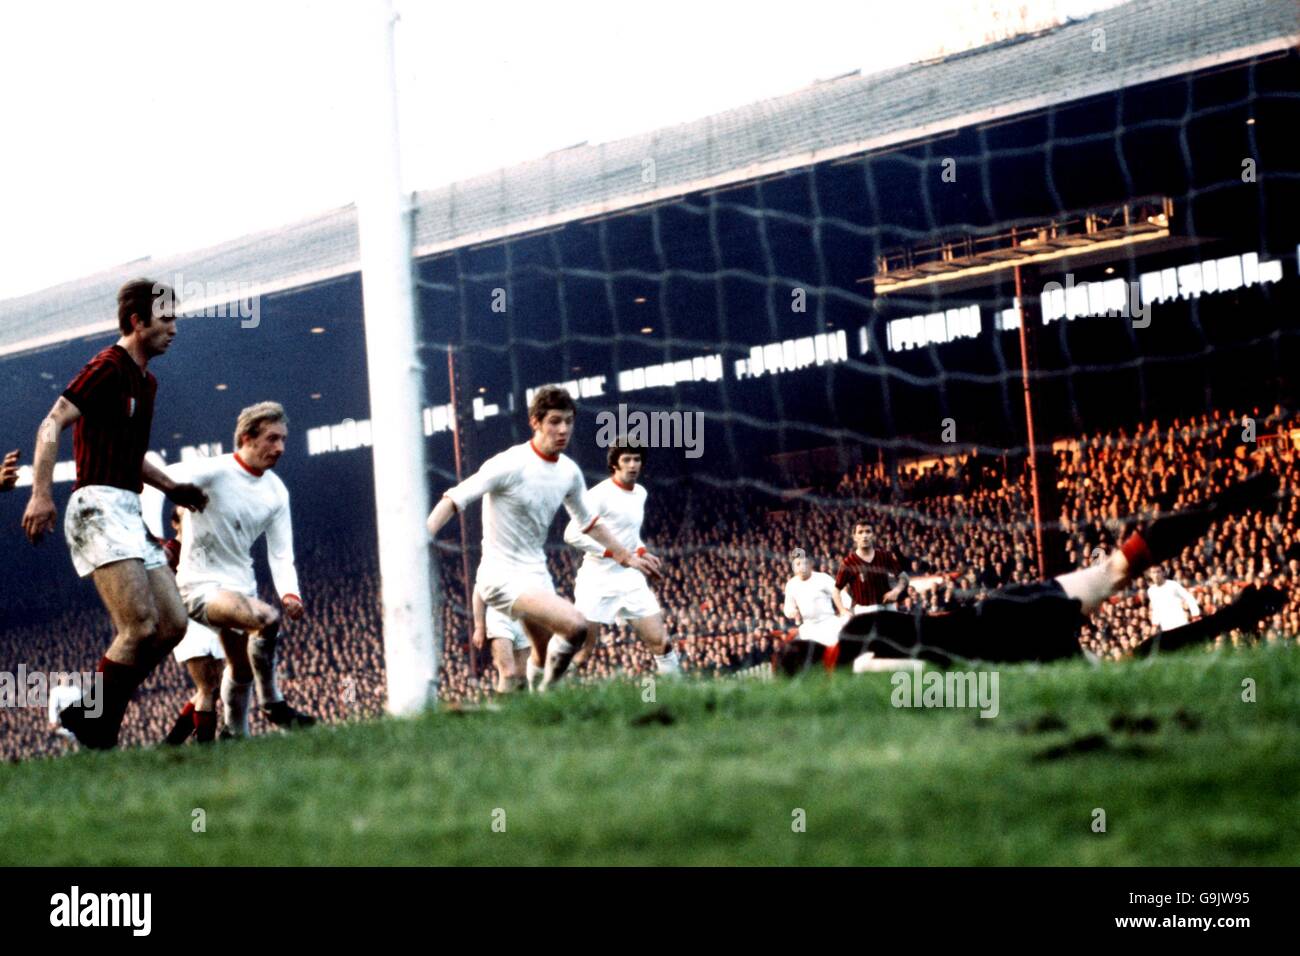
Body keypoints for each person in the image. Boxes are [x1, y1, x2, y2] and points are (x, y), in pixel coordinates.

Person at [781, 473, 1281, 671]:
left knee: (1122, 669)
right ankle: (1224, 502)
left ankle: (1232, 617)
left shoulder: (862, 664)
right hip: (1006, 608)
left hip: (1004, 651)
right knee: (1119, 567)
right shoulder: (861, 630)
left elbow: (934, 678)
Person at [21, 279, 208, 749]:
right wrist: (40, 493)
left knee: (172, 625)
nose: (174, 329)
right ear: (135, 322)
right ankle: (96, 726)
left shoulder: (147, 382)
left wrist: (172, 487)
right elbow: (52, 421)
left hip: (127, 507)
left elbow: (133, 454)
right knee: (139, 625)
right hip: (96, 507)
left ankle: (88, 717)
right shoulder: (106, 366)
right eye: (166, 318)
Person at [426, 386, 661, 691]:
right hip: (499, 575)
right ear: (535, 422)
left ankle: (538, 698)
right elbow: (454, 499)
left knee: (542, 653)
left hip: (536, 572)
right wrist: (423, 537)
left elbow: (589, 522)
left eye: (568, 421)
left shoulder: (569, 472)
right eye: (554, 421)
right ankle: (548, 693)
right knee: (575, 627)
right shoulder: (510, 463)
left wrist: (626, 555)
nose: (563, 429)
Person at [167, 401, 314, 736]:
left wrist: (290, 593)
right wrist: (178, 494)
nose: (281, 448)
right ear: (247, 438)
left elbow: (280, 553)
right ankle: (273, 703)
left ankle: (234, 733)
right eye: (272, 439)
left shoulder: (276, 491)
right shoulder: (214, 471)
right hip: (199, 586)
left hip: (239, 586)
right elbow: (160, 478)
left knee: (241, 669)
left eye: (283, 439)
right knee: (266, 620)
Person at [563, 442, 680, 680]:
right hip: (597, 580)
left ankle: (679, 697)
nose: (633, 465)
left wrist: (641, 550)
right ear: (615, 463)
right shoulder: (598, 495)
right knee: (583, 653)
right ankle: (548, 697)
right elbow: (571, 534)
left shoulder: (640, 493)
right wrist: (613, 554)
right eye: (627, 460)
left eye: (637, 460)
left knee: (661, 643)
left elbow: (630, 532)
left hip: (629, 578)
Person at [159, 506, 225, 744]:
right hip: (191, 622)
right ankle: (206, 746)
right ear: (175, 524)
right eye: (184, 518)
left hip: (210, 619)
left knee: (213, 687)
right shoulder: (170, 551)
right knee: (207, 687)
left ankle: (173, 741)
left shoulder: (202, 549)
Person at [782, 548, 850, 661]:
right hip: (809, 627)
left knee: (836, 653)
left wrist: (844, 610)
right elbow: (787, 608)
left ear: (810, 564)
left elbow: (841, 593)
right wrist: (792, 612)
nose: (801, 567)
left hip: (828, 623)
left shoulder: (822, 578)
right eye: (798, 564)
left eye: (804, 563)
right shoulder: (791, 585)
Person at [835, 521, 907, 614]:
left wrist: (896, 591)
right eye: (860, 532)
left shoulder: (885, 556)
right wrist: (842, 610)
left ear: (873, 535)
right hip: (865, 610)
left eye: (868, 531)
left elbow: (904, 577)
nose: (864, 535)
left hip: (887, 608)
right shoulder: (848, 563)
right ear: (854, 537)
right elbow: (836, 590)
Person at [472, 588, 535, 693]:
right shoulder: (490, 570)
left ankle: (520, 707)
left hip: (523, 615)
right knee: (508, 673)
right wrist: (479, 627)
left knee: (522, 675)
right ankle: (503, 708)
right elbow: (479, 590)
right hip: (499, 616)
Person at [1145, 565, 1201, 633]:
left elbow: (1189, 597)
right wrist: (1154, 625)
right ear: (1150, 575)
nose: (1156, 575)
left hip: (1181, 623)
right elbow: (1156, 608)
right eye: (1153, 572)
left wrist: (1195, 615)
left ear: (1163, 573)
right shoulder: (1151, 591)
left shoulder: (1173, 585)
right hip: (1166, 626)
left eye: (1158, 572)